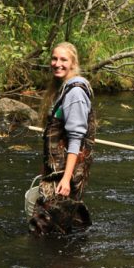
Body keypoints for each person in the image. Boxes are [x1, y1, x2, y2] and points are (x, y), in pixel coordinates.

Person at [29, 42, 96, 235]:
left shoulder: (75, 92)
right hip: (57, 170)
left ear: (73, 63)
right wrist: (46, 169)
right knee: (63, 226)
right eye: (54, 58)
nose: (57, 63)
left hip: (66, 173)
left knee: (43, 228)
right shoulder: (64, 88)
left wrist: (66, 179)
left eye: (63, 59)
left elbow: (76, 138)